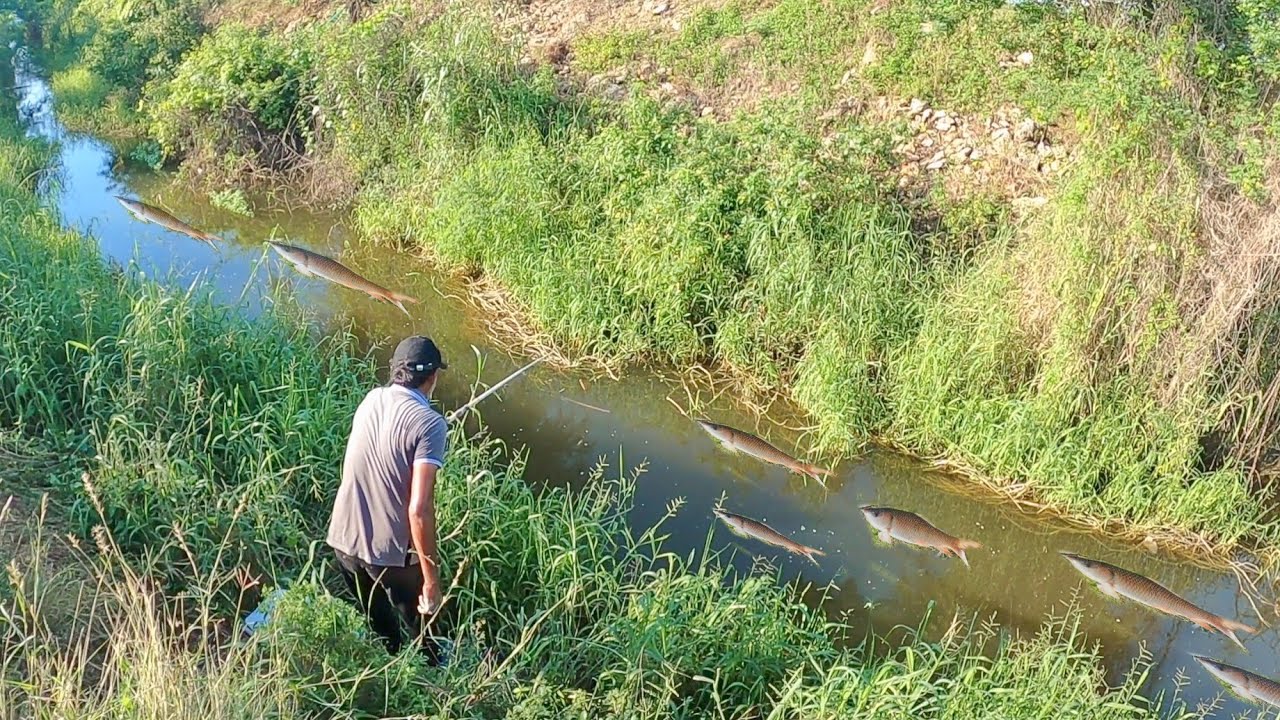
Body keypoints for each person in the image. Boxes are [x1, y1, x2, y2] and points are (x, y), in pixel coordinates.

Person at [326, 335, 450, 657]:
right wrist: (431, 579)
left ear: (396, 371)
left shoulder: (371, 399)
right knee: (423, 623)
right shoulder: (431, 424)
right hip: (388, 556)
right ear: (433, 377)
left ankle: (389, 665)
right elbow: (419, 510)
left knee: (380, 626)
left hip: (343, 539)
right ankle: (432, 668)